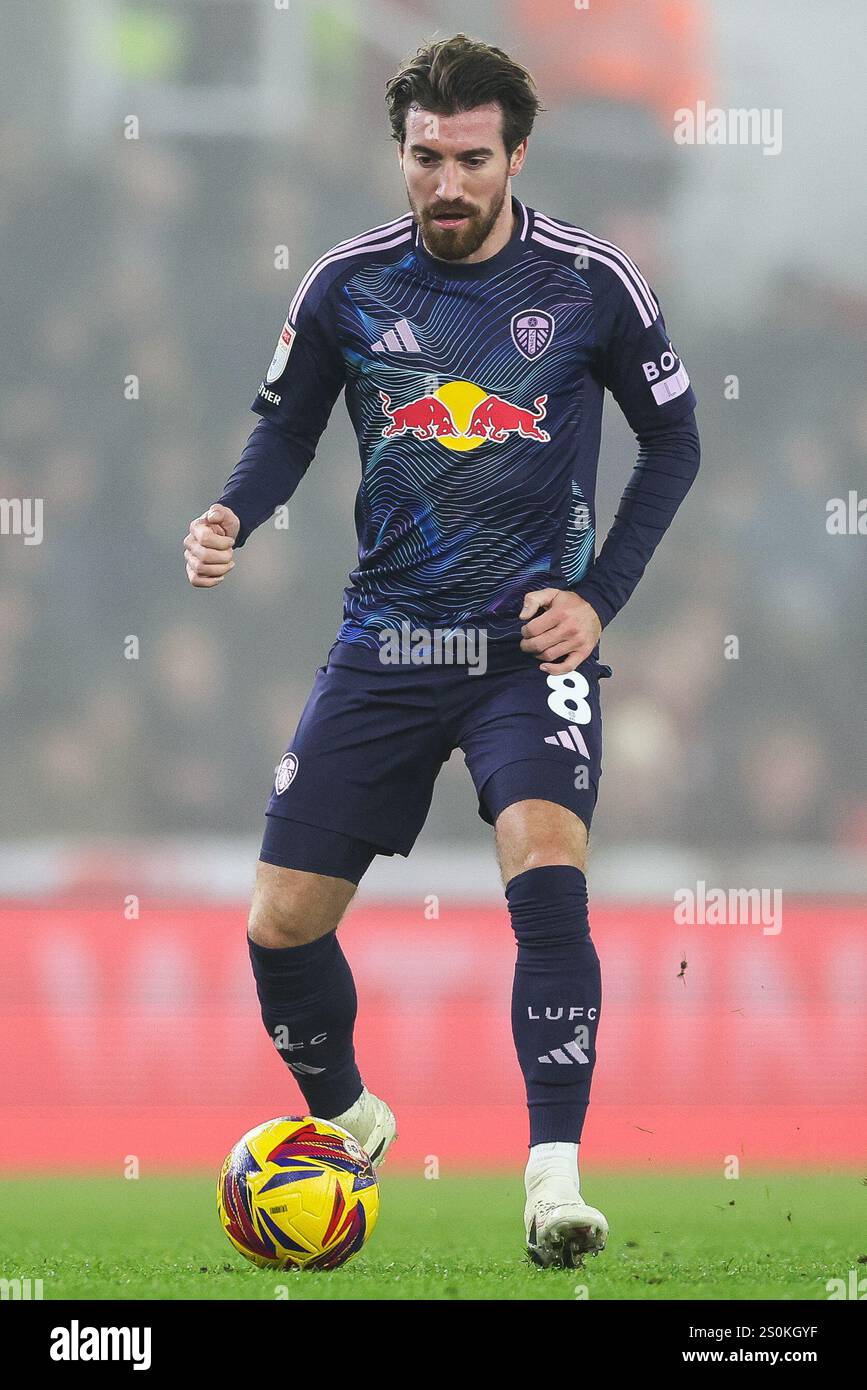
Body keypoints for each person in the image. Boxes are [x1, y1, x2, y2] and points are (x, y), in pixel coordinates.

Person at [183, 33, 700, 1268]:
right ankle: (353, 1122)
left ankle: (553, 1181)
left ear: (517, 153)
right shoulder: (343, 286)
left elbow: (672, 444)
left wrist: (599, 602)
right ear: (400, 154)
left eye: (473, 159)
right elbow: (288, 432)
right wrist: (228, 515)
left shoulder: (593, 281)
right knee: (280, 925)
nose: (448, 185)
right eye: (427, 159)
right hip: (386, 637)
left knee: (544, 860)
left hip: (530, 642)